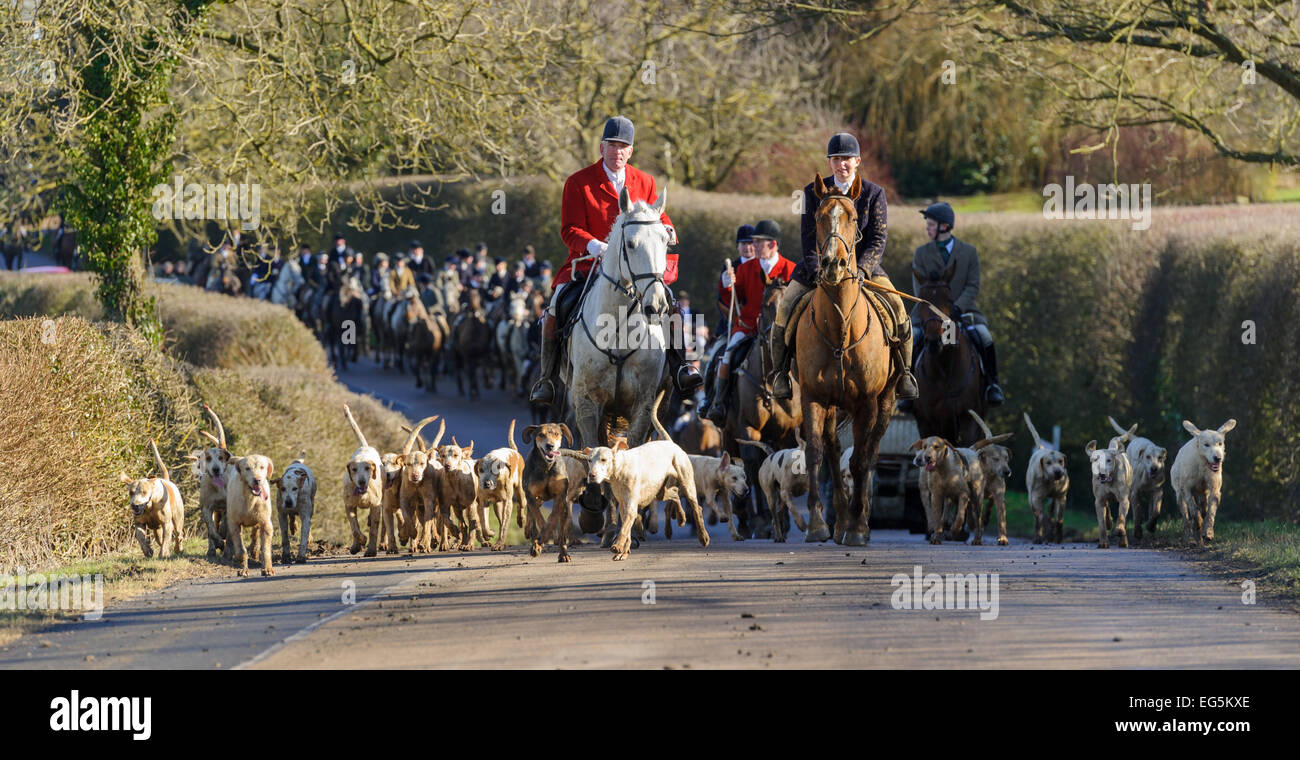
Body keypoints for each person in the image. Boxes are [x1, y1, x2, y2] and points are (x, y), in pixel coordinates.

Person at [528, 115, 702, 405]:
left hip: (636, 270)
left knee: (671, 306)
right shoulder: (578, 182)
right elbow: (568, 230)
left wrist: (668, 228)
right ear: (601, 147)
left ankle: (680, 366)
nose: (617, 151)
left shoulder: (644, 182)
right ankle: (546, 379)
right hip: (589, 265)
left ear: (631, 151)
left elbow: (659, 216)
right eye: (612, 145)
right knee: (555, 308)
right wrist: (593, 244)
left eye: (623, 146)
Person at [768, 132, 918, 402]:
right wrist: (816, 269)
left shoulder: (874, 193)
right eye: (836, 159)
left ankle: (905, 373)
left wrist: (861, 269)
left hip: (863, 270)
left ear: (857, 161)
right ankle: (780, 374)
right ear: (830, 163)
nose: (841, 164)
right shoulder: (810, 192)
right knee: (784, 312)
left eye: (846, 159)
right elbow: (806, 237)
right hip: (817, 268)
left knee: (899, 311)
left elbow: (877, 239)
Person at [907, 201, 1004, 407]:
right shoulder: (921, 253)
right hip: (929, 315)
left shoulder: (969, 252)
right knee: (911, 338)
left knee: (985, 338)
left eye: (931, 224)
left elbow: (973, 286)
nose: (927, 228)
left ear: (945, 226)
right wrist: (937, 312)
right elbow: (919, 289)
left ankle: (992, 386)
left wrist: (956, 307)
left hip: (964, 313)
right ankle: (907, 385)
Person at [704, 219, 796, 423]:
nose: (753, 246)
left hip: (780, 329)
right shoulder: (746, 269)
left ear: (772, 244)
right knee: (727, 356)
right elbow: (732, 301)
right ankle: (718, 402)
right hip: (748, 327)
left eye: (758, 242)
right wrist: (727, 286)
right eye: (753, 242)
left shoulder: (790, 269)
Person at [716, 223, 756, 338]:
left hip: (759, 322)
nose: (747, 247)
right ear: (737, 246)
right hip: (733, 323)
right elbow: (720, 300)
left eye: (750, 243)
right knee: (719, 351)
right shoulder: (729, 268)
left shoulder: (762, 266)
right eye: (743, 243)